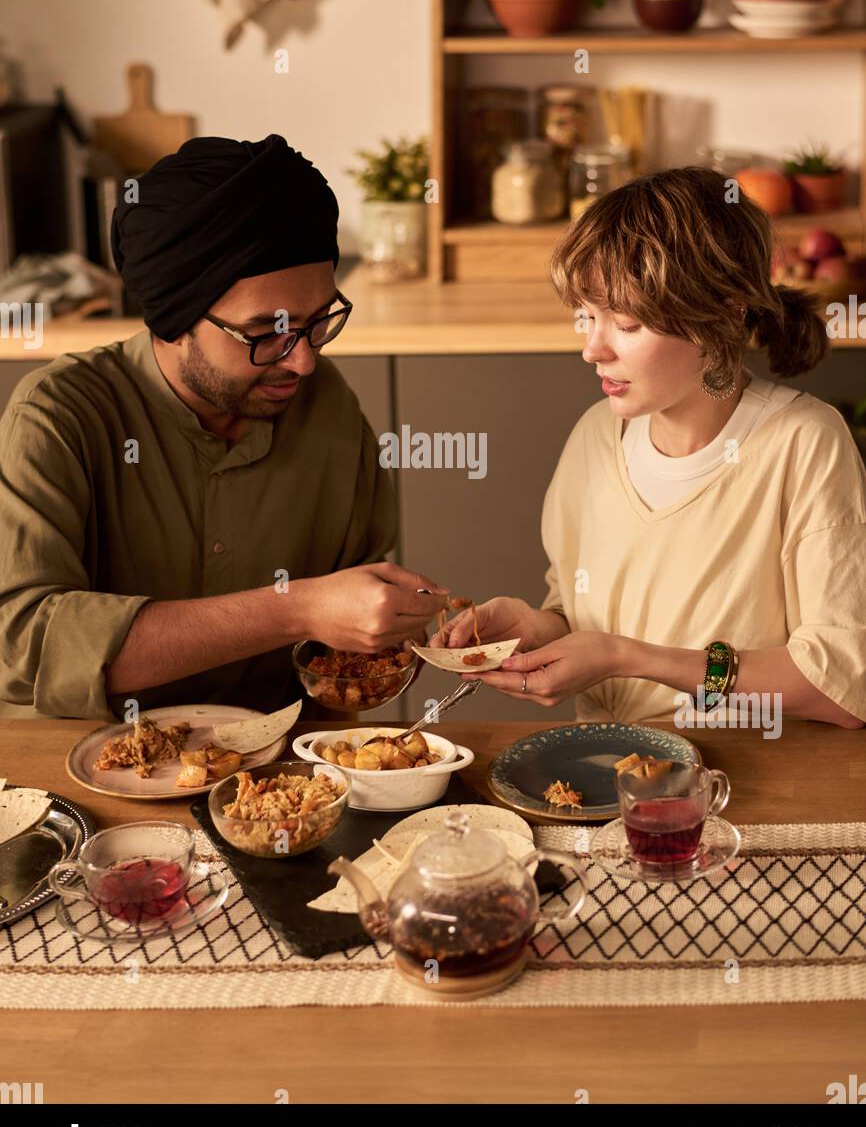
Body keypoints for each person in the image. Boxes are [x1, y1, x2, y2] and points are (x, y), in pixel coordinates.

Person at [0, 134, 447, 720]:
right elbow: (29, 642)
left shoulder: (326, 405)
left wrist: (398, 625)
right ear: (171, 322)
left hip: (282, 777)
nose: (303, 360)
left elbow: (345, 649)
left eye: (320, 322)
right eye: (265, 333)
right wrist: (297, 607)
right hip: (84, 772)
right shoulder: (60, 416)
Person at [435, 167, 866, 729]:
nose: (593, 350)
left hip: (745, 785)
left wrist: (627, 657)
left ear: (722, 316)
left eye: (627, 323)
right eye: (587, 318)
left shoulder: (804, 443)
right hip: (604, 775)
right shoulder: (595, 434)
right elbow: (579, 610)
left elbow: (840, 686)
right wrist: (533, 628)